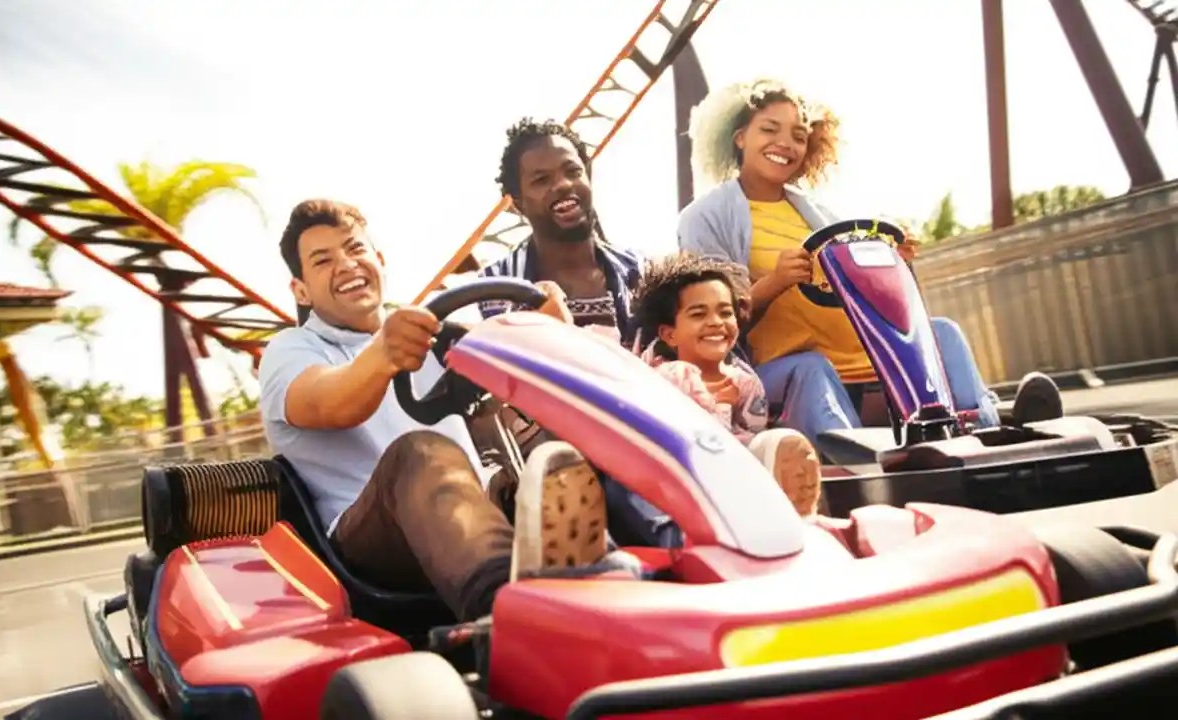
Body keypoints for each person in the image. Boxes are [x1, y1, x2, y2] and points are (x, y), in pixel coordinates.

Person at [258, 198, 629, 623]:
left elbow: (527, 370)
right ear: (300, 289)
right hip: (368, 546)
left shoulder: (431, 333)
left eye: (355, 249)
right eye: (322, 260)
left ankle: (606, 573)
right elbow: (329, 403)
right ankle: (506, 605)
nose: (345, 265)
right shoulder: (290, 350)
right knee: (419, 454)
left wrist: (546, 329)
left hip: (468, 513)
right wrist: (382, 354)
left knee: (550, 455)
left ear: (378, 260)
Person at [676, 79, 1062, 446]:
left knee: (942, 331)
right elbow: (715, 318)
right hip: (787, 366)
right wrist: (776, 281)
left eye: (798, 135)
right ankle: (852, 455)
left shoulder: (819, 213)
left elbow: (866, 292)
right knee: (811, 367)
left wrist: (895, 266)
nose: (786, 144)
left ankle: (983, 427)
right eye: (770, 130)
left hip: (868, 357)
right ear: (740, 137)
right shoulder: (707, 217)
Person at [633, 251, 821, 516]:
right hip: (687, 473)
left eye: (725, 313)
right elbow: (686, 437)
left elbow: (753, 429)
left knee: (768, 444)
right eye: (699, 315)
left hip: (738, 470)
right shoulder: (670, 377)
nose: (716, 323)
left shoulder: (744, 380)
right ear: (670, 334)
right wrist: (720, 408)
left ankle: (789, 494)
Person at [478, 118, 644, 344]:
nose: (564, 185)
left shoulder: (639, 272)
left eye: (573, 171)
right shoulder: (493, 286)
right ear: (519, 204)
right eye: (541, 180)